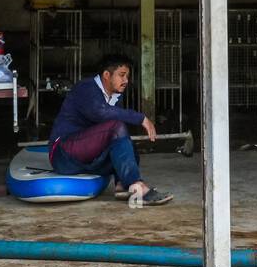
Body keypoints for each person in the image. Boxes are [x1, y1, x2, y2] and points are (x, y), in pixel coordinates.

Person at [48, 54, 173, 206]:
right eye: (121, 75)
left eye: (127, 76)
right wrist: (141, 118)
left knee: (128, 146)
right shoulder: (85, 88)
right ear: (106, 75)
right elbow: (100, 112)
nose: (126, 81)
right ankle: (136, 185)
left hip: (87, 158)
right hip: (63, 154)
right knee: (117, 128)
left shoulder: (115, 96)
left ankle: (122, 186)